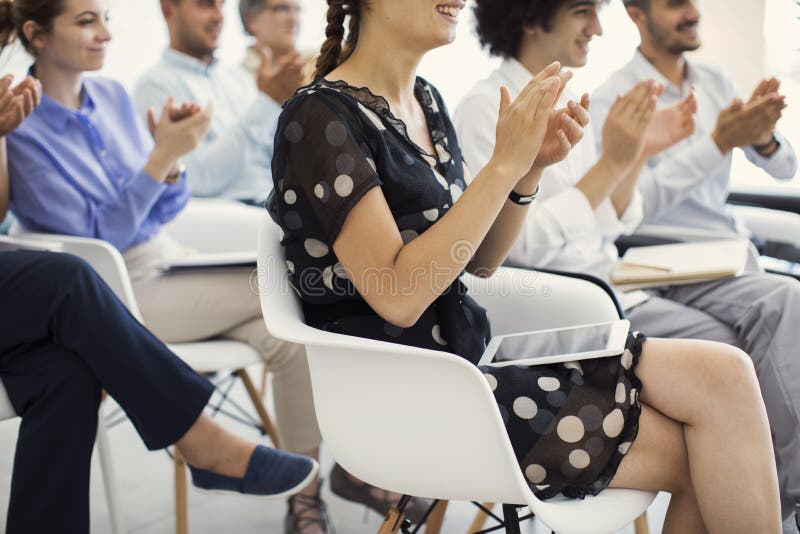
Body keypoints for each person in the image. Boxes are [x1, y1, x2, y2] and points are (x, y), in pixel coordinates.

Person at [269, 0, 782, 532]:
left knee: (727, 372)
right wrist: (504, 163)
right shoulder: (318, 117)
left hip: (473, 363)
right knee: (706, 454)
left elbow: (480, 262)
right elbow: (398, 297)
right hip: (421, 396)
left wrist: (528, 171)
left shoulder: (426, 101)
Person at [454, 0, 800, 530]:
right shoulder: (488, 107)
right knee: (733, 355)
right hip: (573, 300)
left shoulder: (568, 99)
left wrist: (632, 156)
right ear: (530, 18)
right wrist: (618, 161)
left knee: (774, 315)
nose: (597, 27)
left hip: (612, 277)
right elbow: (515, 250)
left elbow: (608, 222)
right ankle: (772, 498)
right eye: (582, 12)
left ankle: (775, 496)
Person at [0, 1, 325, 526]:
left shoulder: (111, 96)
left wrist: (171, 161)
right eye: (86, 21)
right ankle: (217, 449)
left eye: (105, 18)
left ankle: (308, 499)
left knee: (286, 335)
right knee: (296, 283)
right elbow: (95, 237)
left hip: (167, 261)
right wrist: (158, 160)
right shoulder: (20, 121)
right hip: (114, 284)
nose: (106, 33)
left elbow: (167, 207)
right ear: (37, 35)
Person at [592, 0, 799, 261]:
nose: (694, 13)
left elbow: (786, 170)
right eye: (676, 4)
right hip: (670, 253)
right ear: (637, 16)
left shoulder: (714, 80)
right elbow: (626, 207)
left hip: (731, 240)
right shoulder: (613, 101)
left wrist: (764, 141)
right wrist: (717, 144)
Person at [133, 0, 306, 206]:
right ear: (168, 9)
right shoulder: (155, 85)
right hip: (241, 208)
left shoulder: (239, 79)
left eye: (221, 5)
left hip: (278, 201)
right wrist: (268, 102)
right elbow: (199, 179)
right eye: (205, 4)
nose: (219, 16)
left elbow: (278, 159)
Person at [238, 0, 314, 81]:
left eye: (297, 10)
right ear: (251, 20)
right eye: (281, 9)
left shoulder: (316, 63)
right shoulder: (236, 80)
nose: (294, 18)